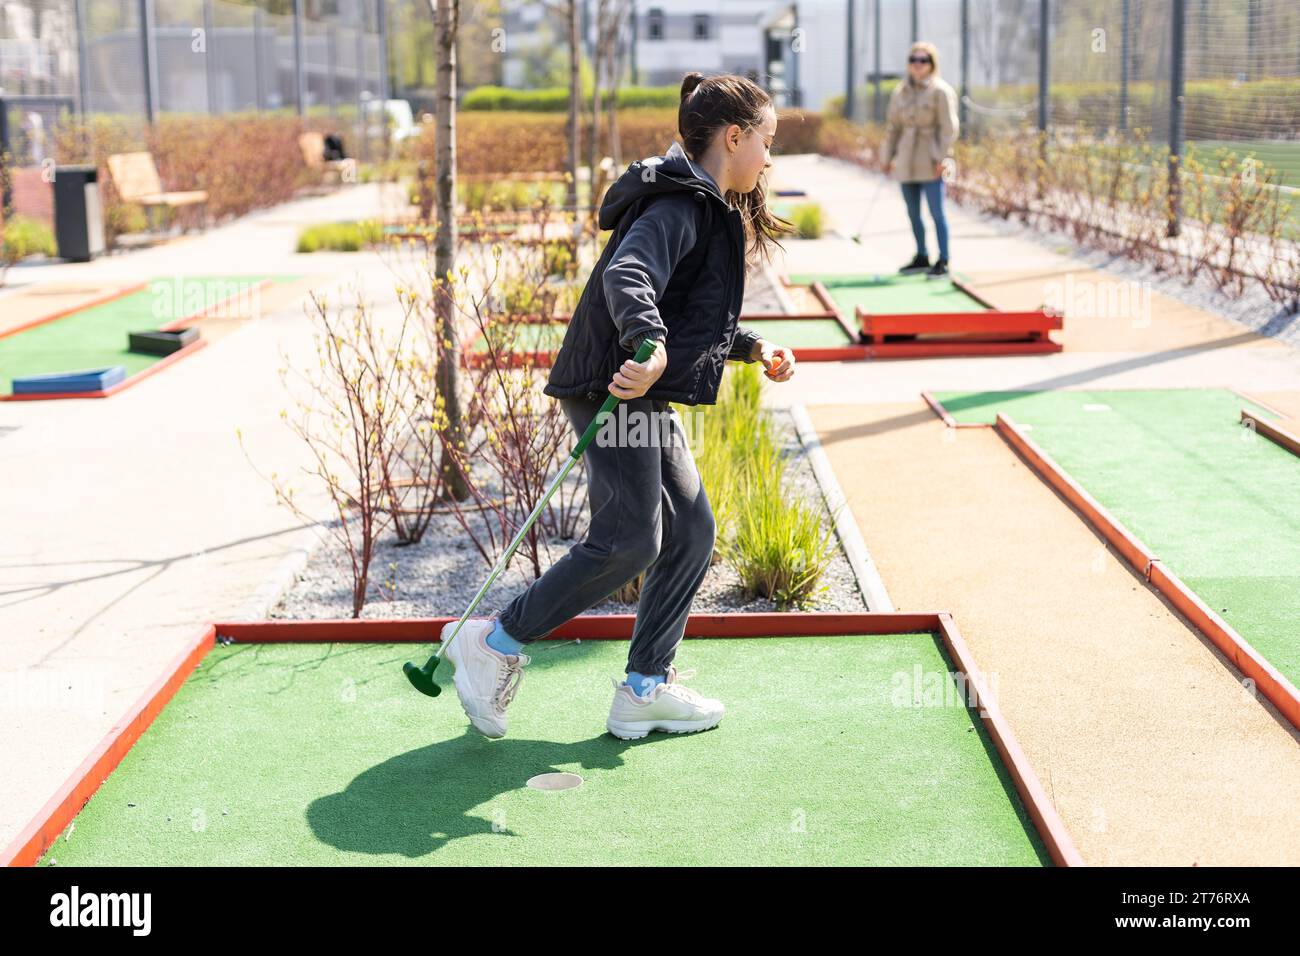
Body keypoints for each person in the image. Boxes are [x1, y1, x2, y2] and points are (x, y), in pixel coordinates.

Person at [443, 71, 797, 741]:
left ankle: (643, 689)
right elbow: (626, 276)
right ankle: (495, 643)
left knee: (690, 529)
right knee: (632, 538)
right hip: (616, 385)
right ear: (734, 136)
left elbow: (685, 311)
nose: (770, 158)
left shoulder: (706, 202)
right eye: (767, 142)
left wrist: (751, 349)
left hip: (641, 383)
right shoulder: (677, 205)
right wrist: (648, 342)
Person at [880, 41, 959, 279]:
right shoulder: (900, 92)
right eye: (913, 60)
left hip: (931, 157)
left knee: (937, 212)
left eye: (923, 60)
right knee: (913, 212)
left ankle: (943, 260)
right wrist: (887, 157)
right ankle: (921, 256)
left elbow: (949, 128)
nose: (917, 65)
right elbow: (893, 127)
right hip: (906, 158)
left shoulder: (940, 91)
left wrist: (942, 157)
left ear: (931, 64)